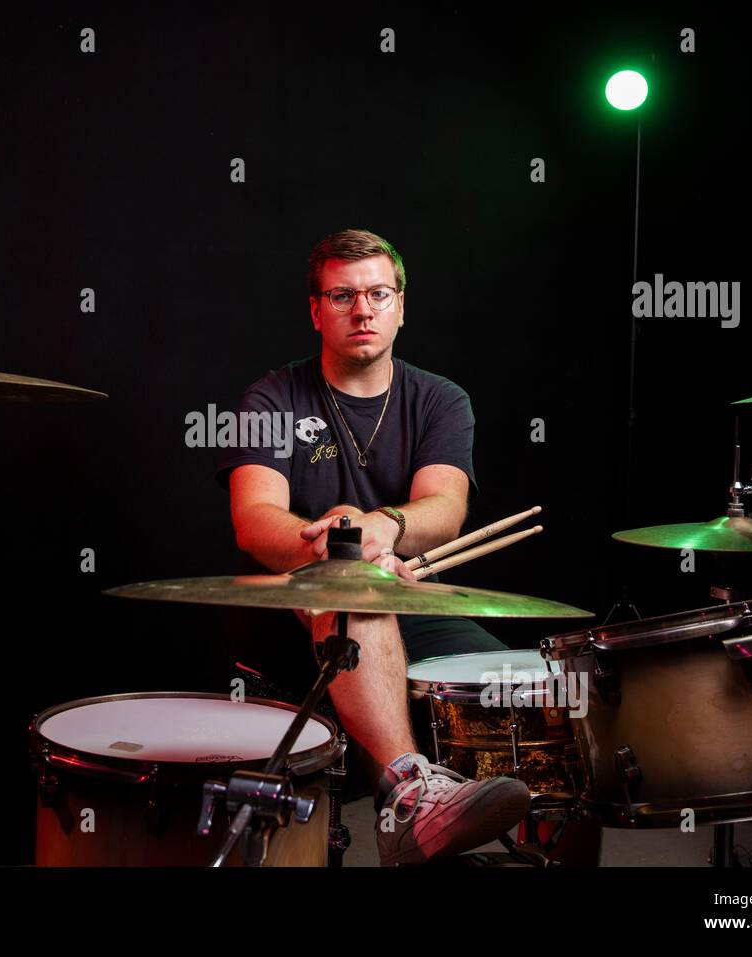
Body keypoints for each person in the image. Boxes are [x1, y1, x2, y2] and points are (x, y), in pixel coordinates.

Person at [216, 228, 530, 866]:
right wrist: (336, 546)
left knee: (533, 697)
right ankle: (411, 799)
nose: (363, 310)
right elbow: (253, 520)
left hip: (410, 602)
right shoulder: (272, 397)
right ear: (316, 310)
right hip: (288, 610)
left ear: (401, 306)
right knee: (352, 585)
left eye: (378, 294)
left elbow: (445, 508)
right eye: (342, 296)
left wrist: (385, 524)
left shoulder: (440, 398)